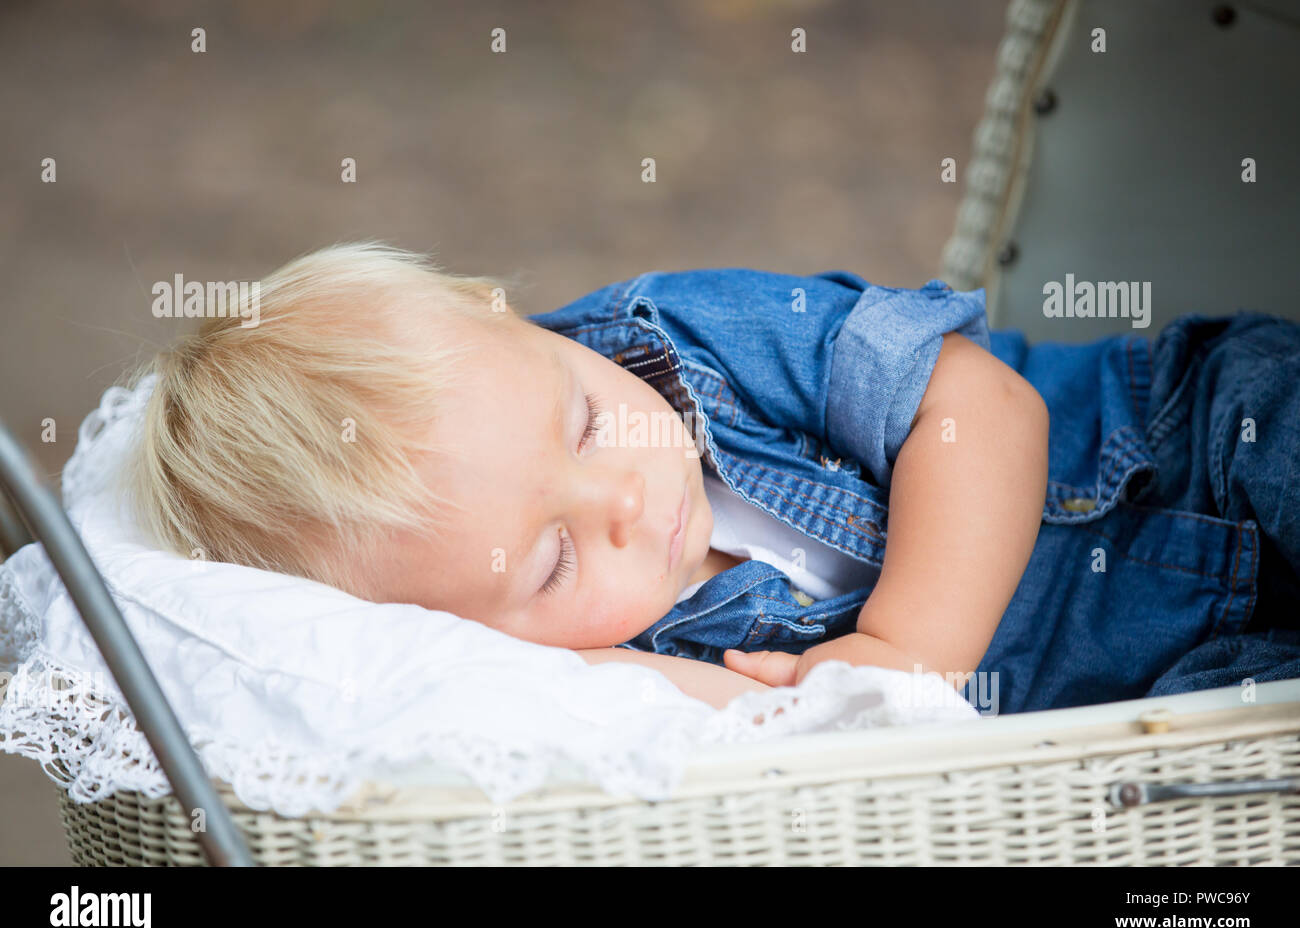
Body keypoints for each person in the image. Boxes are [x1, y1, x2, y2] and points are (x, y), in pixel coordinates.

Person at [123, 242, 1300, 714]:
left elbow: (984, 407)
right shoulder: (590, 666)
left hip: (1196, 438)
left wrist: (903, 651)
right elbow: (724, 732)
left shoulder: (681, 334)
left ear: (529, 329)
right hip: (1162, 674)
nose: (628, 497)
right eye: (551, 560)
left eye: (586, 424)